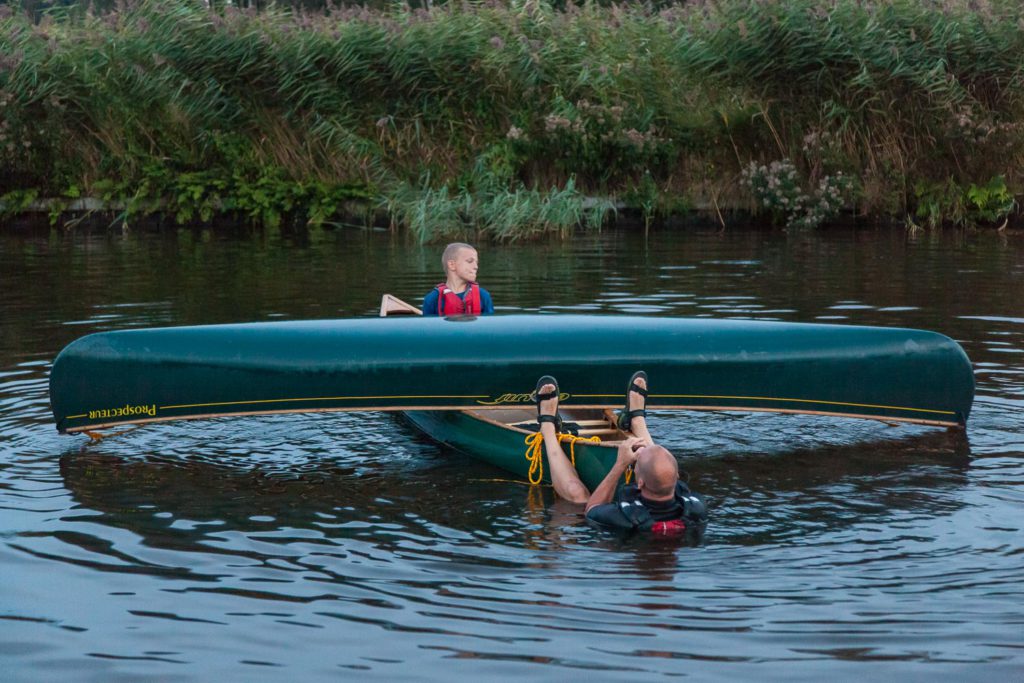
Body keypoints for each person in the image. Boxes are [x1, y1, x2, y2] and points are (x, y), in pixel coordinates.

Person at [534, 372, 707, 536]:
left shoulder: (622, 518)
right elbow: (663, 478)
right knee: (659, 468)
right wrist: (650, 462)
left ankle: (548, 428)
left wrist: (621, 464)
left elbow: (592, 510)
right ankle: (637, 422)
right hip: (657, 511)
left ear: (640, 483)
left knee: (579, 496)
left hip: (593, 529)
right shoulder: (696, 509)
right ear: (677, 477)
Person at [422, 242, 495, 316]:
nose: (476, 267)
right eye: (470, 261)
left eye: (476, 262)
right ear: (452, 265)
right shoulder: (432, 299)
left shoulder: (483, 296)